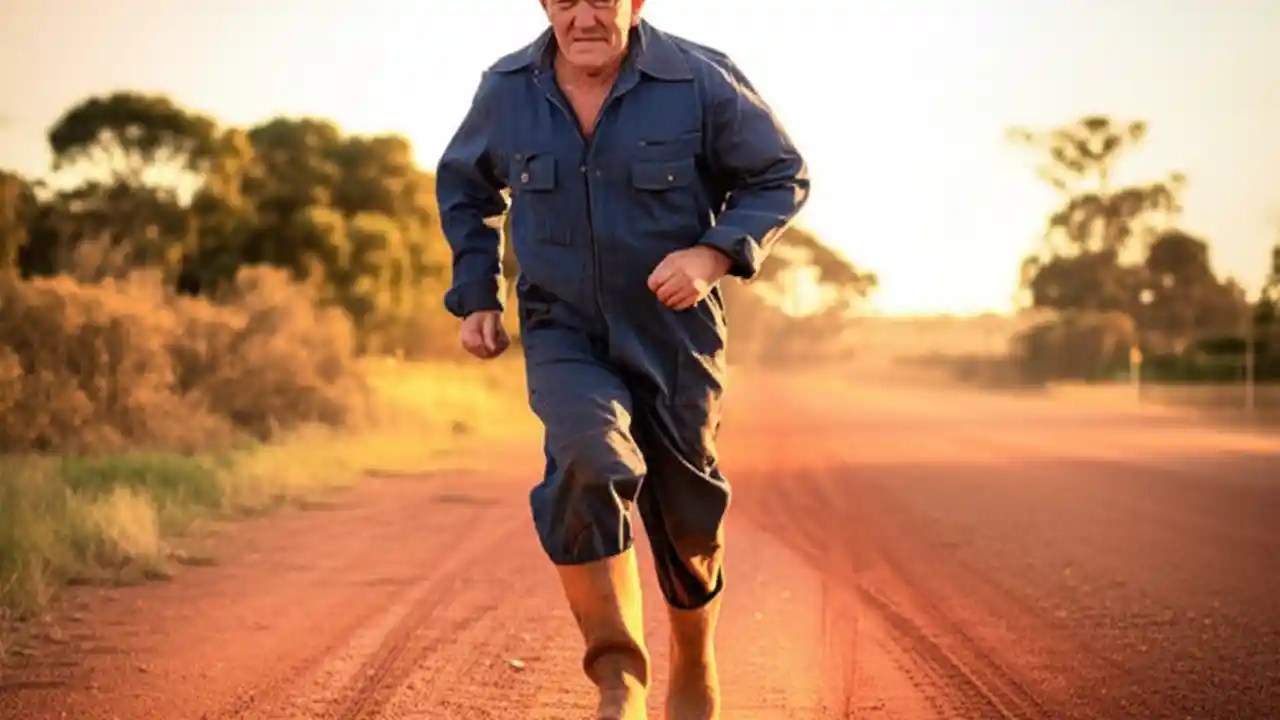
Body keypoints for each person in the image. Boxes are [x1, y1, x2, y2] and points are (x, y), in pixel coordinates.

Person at [435, 1, 808, 717]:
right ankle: (618, 677)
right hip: (562, 328)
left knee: (689, 512)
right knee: (588, 461)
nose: (583, 17)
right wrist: (477, 293)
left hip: (675, 331)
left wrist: (711, 254)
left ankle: (694, 663)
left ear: (635, 4)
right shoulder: (507, 90)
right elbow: (466, 188)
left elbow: (779, 175)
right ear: (545, 5)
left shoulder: (700, 79)